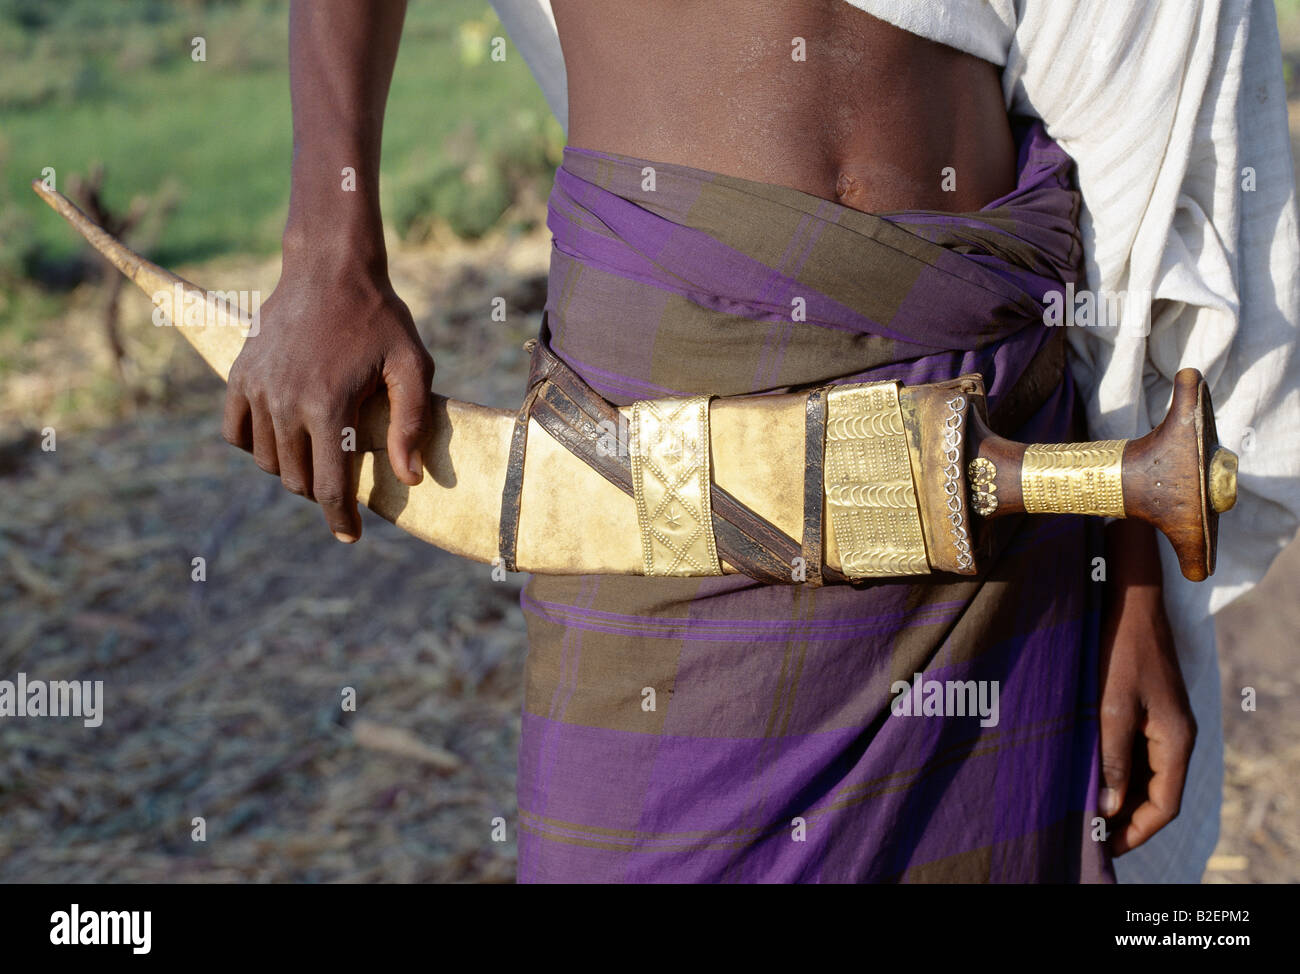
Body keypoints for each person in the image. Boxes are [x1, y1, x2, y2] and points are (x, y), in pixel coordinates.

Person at [220, 0, 1300, 882]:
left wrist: (1128, 570)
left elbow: (1138, 85)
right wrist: (329, 244)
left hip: (991, 391)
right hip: (669, 362)